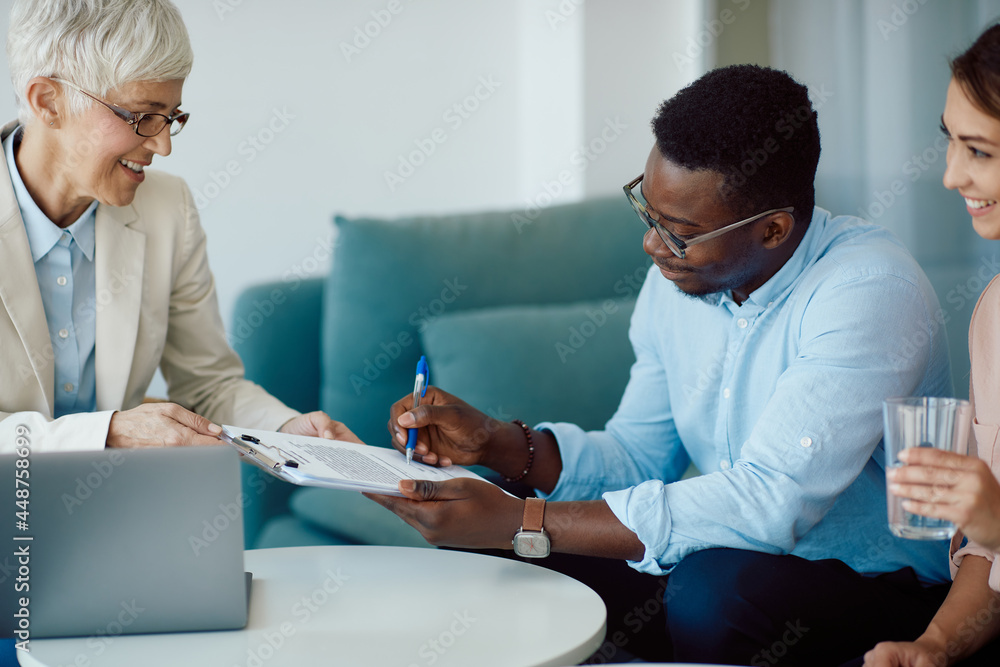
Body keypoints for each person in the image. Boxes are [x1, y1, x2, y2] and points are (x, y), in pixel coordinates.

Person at [367, 64, 957, 665]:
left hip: (883, 587)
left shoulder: (868, 288)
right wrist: (496, 445)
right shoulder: (684, 280)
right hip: (726, 564)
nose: (652, 246)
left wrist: (527, 518)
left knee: (712, 592)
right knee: (495, 552)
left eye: (677, 233)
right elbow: (637, 458)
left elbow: (767, 502)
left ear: (773, 229)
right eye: (646, 212)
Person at [0, 0, 355, 452]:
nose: (163, 145)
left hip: (119, 502)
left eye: (171, 118)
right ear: (48, 101)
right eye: (142, 116)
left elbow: (207, 386)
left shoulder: (169, 208)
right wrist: (104, 433)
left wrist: (285, 430)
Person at [863, 25, 1000, 667]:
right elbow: (985, 554)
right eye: (951, 142)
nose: (951, 176)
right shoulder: (994, 313)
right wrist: (934, 647)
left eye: (979, 151)